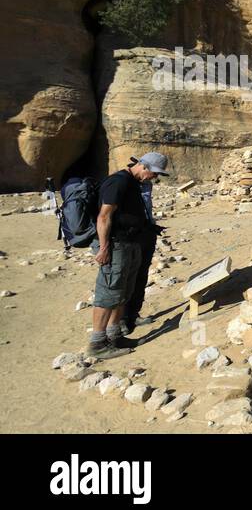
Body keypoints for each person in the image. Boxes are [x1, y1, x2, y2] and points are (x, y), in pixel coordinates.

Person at [87, 153, 169, 360]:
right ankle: (97, 343)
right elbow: (104, 217)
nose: (153, 177)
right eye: (153, 173)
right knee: (109, 292)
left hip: (130, 243)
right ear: (143, 166)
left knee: (125, 290)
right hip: (115, 245)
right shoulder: (118, 182)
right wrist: (104, 248)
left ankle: (115, 337)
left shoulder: (133, 183)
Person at [123, 171, 162, 335]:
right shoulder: (124, 184)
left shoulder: (147, 185)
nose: (154, 177)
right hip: (131, 235)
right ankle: (121, 318)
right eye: (154, 173)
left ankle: (133, 314)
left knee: (141, 275)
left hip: (147, 233)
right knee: (127, 277)